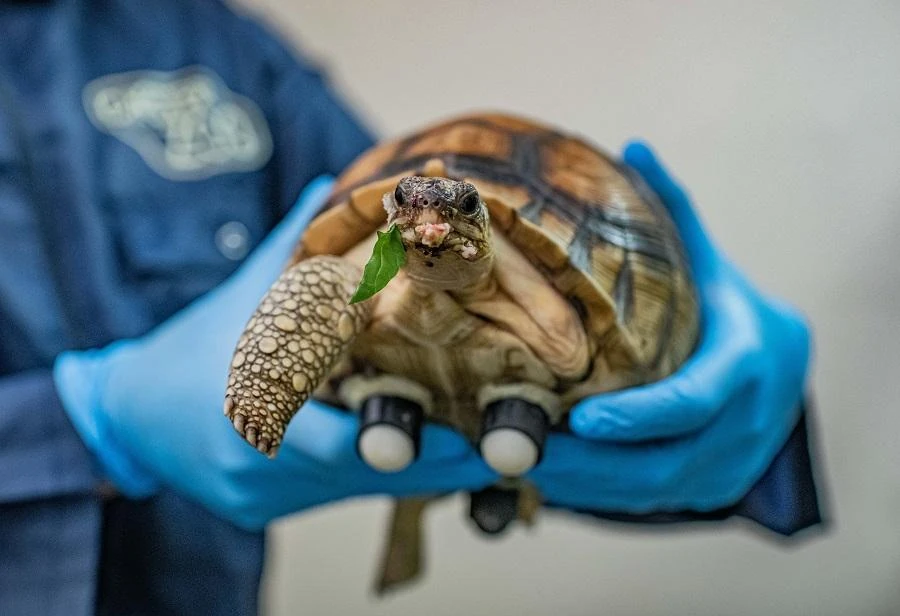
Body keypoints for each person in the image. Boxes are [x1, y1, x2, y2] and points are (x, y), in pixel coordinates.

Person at [0, 0, 822, 614]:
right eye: (413, 220)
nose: (425, 227)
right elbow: (332, 279)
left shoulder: (217, 49)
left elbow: (565, 407)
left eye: (447, 217)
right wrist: (80, 430)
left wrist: (730, 409)